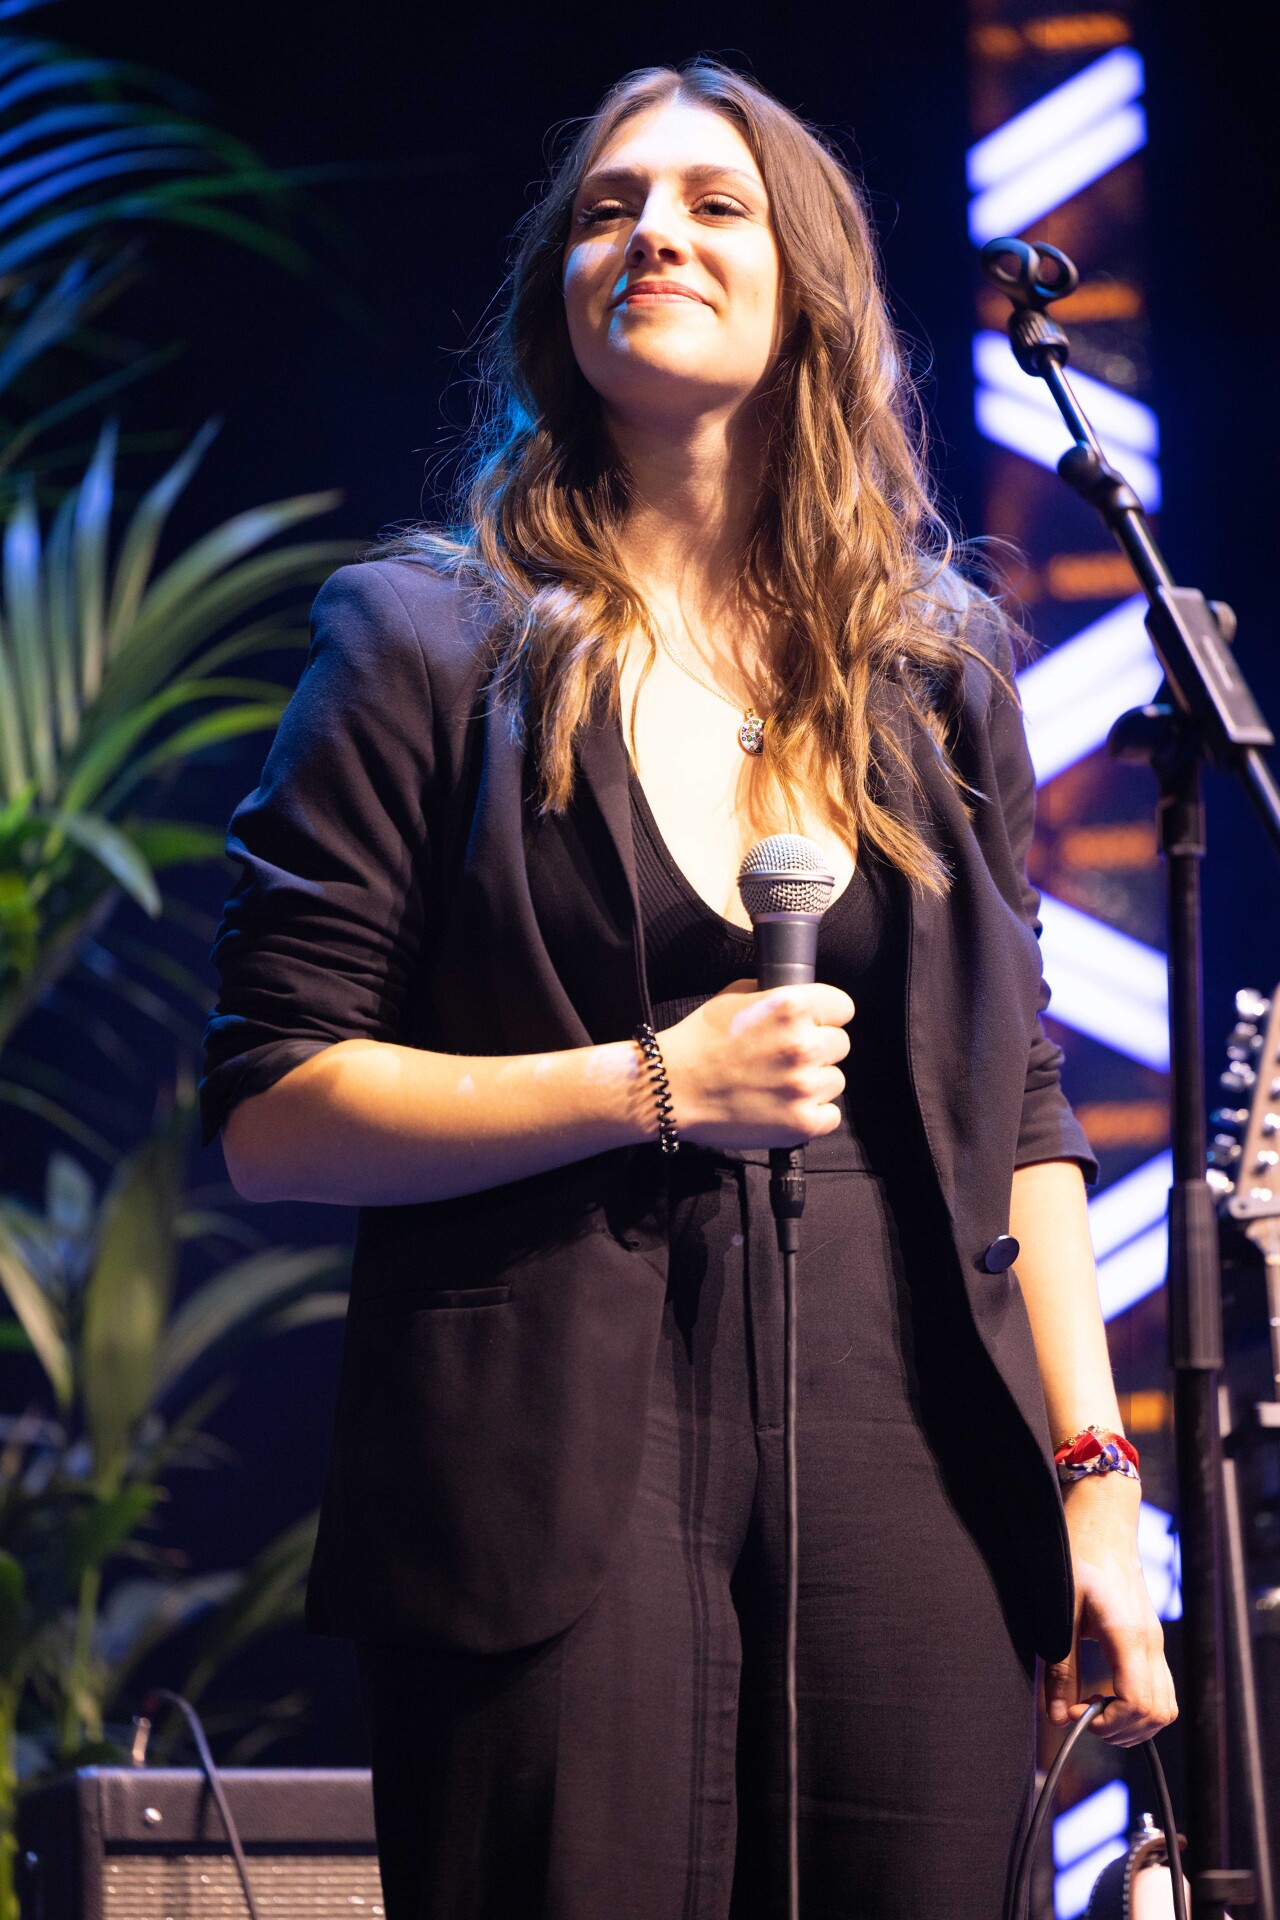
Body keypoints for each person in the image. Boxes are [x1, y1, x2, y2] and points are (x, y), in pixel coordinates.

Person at [201, 59, 1176, 1920]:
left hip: (909, 1444)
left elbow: (1021, 1109)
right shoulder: (421, 642)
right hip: (549, 1452)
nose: (653, 230)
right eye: (608, 207)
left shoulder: (938, 671)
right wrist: (651, 1083)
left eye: (715, 204)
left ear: (809, 286)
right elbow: (271, 1106)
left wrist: (1094, 1476)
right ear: (560, 297)